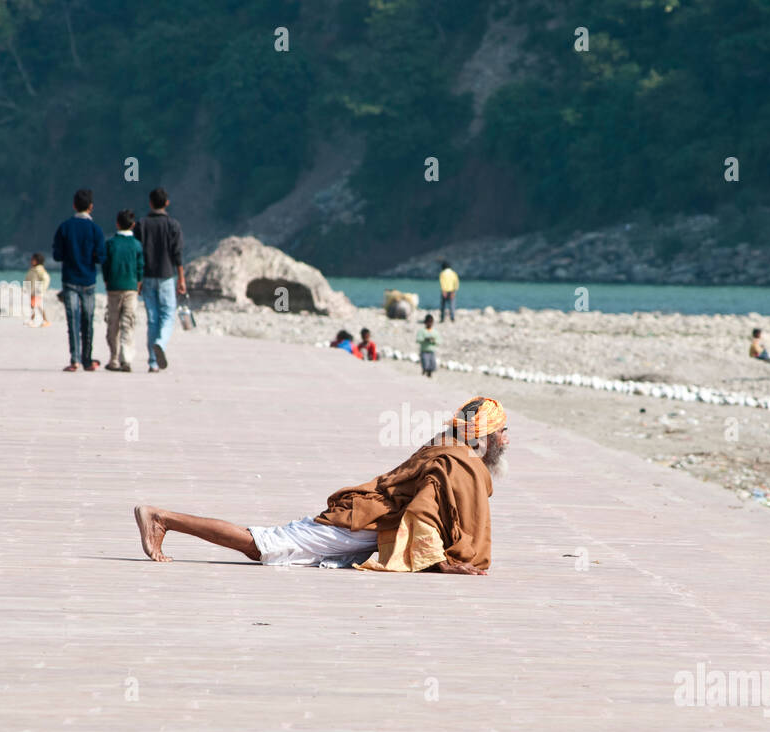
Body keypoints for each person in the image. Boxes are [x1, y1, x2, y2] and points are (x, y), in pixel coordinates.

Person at [133, 397, 508, 573]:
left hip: (362, 524)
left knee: (267, 550)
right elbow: (423, 511)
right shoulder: (458, 461)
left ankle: (165, 519)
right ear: (486, 436)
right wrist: (440, 564)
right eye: (502, 432)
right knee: (260, 545)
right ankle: (162, 518)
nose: (506, 440)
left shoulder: (448, 447)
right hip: (358, 524)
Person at [51, 189, 106, 371]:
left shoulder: (64, 227)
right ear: (91, 207)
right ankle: (87, 360)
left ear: (74, 205)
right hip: (88, 280)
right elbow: (100, 257)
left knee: (72, 320)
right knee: (88, 320)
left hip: (70, 279)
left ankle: (74, 360)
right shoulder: (96, 230)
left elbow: (57, 255)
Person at [133, 187, 185, 373]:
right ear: (167, 203)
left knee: (152, 319)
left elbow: (137, 254)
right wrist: (181, 278)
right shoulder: (173, 225)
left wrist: (137, 279)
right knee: (167, 315)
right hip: (166, 275)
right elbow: (177, 254)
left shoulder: (141, 224)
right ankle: (161, 343)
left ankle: (153, 362)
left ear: (150, 203)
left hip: (146, 276)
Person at [103, 210, 144, 372]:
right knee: (128, 323)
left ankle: (114, 358)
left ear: (117, 223)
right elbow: (140, 267)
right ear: (133, 225)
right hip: (131, 288)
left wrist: (107, 281)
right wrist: (139, 284)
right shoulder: (136, 245)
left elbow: (105, 266)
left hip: (113, 288)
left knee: (113, 324)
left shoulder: (111, 243)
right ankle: (126, 358)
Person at [24, 253, 50, 327]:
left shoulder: (39, 270)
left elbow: (46, 278)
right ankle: (42, 320)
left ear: (37, 261)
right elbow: (28, 279)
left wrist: (41, 288)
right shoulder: (33, 269)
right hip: (32, 291)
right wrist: (26, 287)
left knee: (35, 305)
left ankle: (34, 320)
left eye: (33, 259)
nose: (31, 261)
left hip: (37, 291)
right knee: (36, 306)